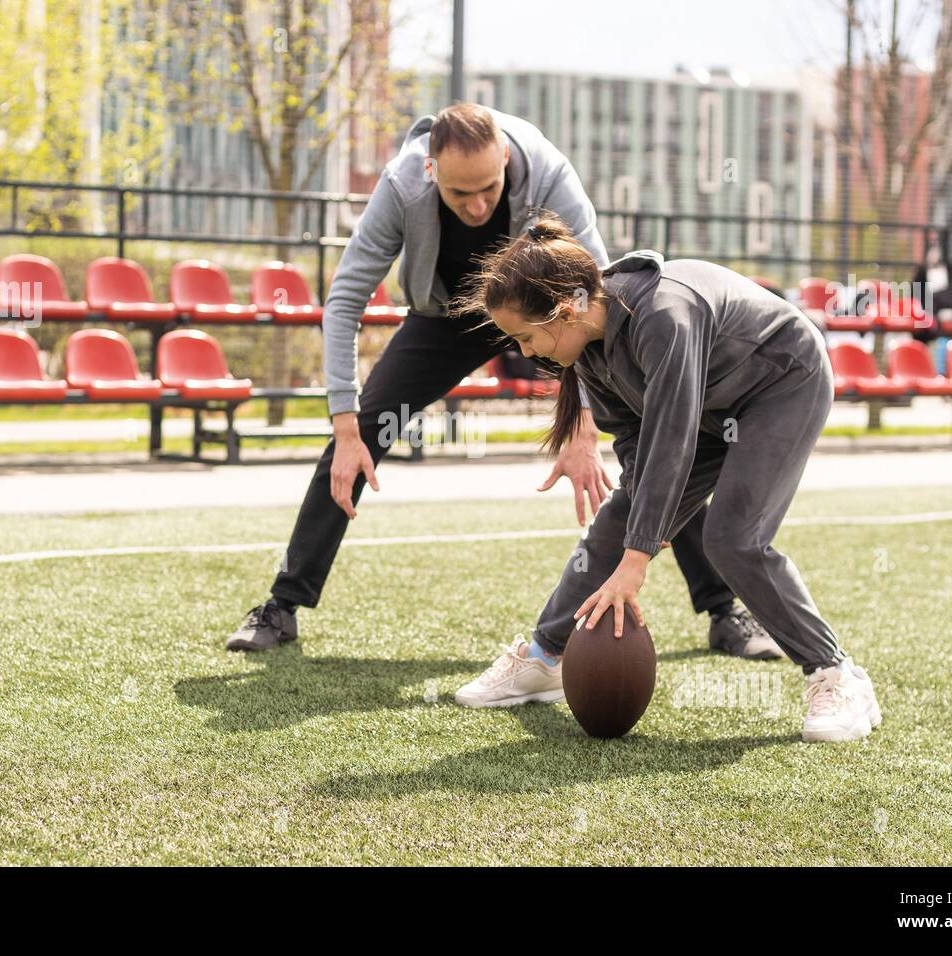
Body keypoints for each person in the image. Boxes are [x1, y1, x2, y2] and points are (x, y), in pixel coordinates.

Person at [227, 103, 778, 671]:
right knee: (362, 431)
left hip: (548, 319)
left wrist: (585, 428)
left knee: (655, 435)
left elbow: (598, 300)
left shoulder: (549, 174)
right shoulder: (400, 186)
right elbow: (344, 300)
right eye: (459, 194)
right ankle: (282, 604)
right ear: (430, 172)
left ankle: (723, 609)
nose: (477, 206)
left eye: (488, 189)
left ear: (507, 160)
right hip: (444, 320)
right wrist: (343, 422)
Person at [451, 216, 882, 742]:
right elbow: (640, 447)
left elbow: (671, 436)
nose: (523, 351)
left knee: (733, 537)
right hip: (710, 409)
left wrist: (637, 561)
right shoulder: (587, 347)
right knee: (621, 519)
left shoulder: (664, 316)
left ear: (564, 309)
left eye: (525, 336)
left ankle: (836, 674)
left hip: (782, 385)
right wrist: (636, 526)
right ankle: (544, 657)